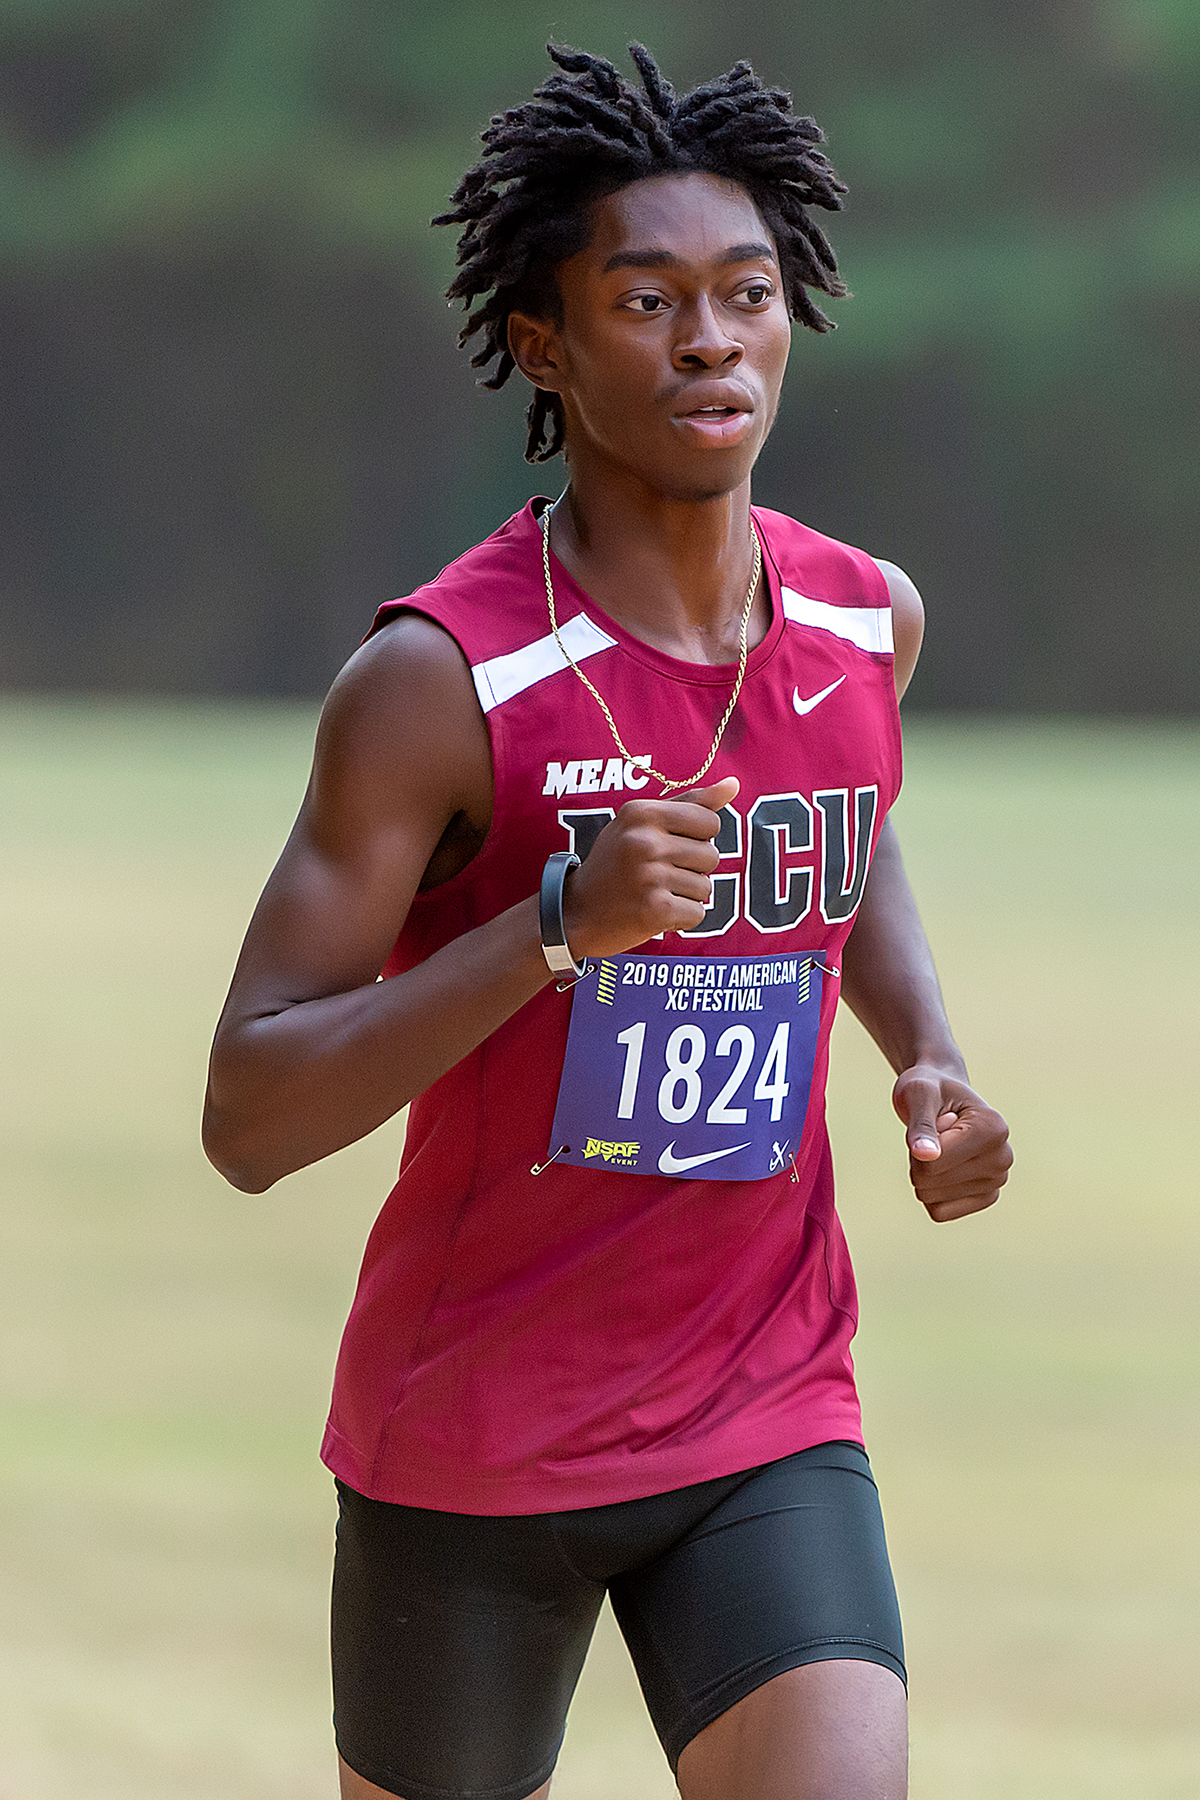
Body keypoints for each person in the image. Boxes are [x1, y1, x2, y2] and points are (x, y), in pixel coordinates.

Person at [203, 42, 1011, 1800]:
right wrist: (554, 929)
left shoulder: (869, 623)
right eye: (649, 300)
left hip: (768, 1404)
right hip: (475, 1440)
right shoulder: (439, 682)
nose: (712, 338)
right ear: (550, 345)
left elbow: (845, 834)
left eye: (747, 294)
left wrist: (928, 1051)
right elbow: (249, 1115)